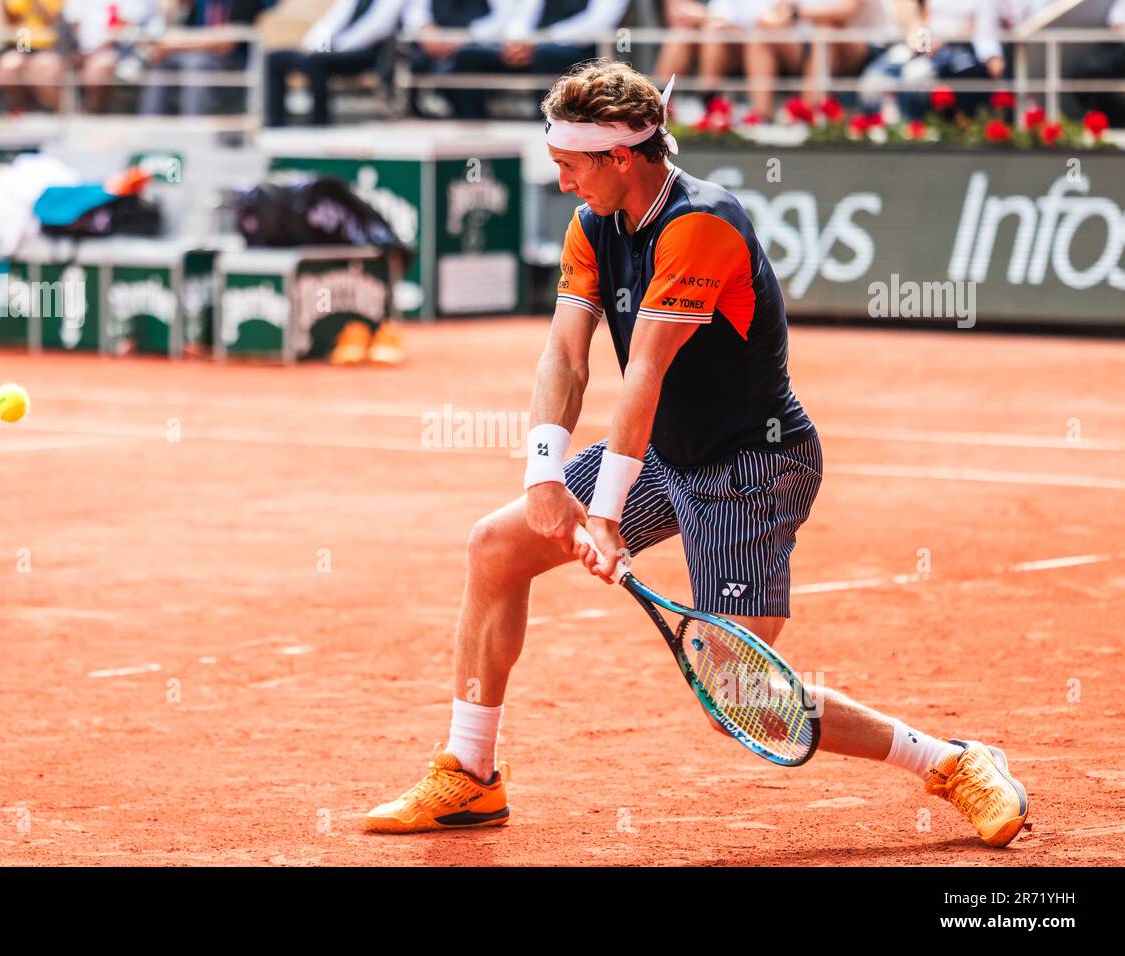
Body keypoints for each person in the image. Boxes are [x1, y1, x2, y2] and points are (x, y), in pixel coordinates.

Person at [362, 59, 1030, 849]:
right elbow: (566, 359)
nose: (563, 185)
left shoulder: (703, 224)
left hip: (752, 469)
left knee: (739, 691)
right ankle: (469, 776)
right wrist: (544, 476)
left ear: (621, 158)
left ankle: (951, 761)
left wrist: (603, 514)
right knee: (496, 546)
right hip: (664, 456)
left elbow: (644, 369)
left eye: (570, 167)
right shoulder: (591, 228)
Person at [434, 0, 630, 121]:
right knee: (468, 56)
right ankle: (472, 126)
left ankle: (547, 124)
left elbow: (599, 22)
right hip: (533, 47)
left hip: (578, 52)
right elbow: (521, 15)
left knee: (547, 57)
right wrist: (517, 42)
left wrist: (541, 40)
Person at [265, 0, 407, 127]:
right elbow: (331, 22)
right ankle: (276, 123)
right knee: (275, 58)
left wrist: (333, 49)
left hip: (365, 54)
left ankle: (318, 123)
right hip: (334, 50)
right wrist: (312, 46)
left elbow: (376, 29)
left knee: (315, 61)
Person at [858, 0, 1004, 120]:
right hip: (924, 46)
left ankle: (910, 133)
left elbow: (981, 30)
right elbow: (922, 19)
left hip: (956, 49)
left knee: (915, 77)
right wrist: (922, 44)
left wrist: (941, 41)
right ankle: (874, 130)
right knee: (874, 79)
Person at [743, 0, 895, 113]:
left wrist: (795, 13)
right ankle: (761, 119)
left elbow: (844, 14)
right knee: (761, 36)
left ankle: (805, 117)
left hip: (870, 48)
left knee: (826, 31)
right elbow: (781, 12)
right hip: (809, 44)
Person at [139, 0, 270, 116]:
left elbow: (226, 44)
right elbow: (184, 31)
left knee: (196, 63)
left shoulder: (243, 2)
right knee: (162, 63)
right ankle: (149, 125)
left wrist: (175, 46)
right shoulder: (200, 3)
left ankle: (193, 126)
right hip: (192, 58)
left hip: (230, 65)